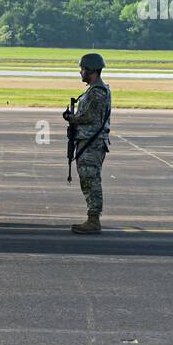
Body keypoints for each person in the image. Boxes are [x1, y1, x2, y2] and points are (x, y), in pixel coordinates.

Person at [64, 52, 112, 234]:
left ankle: (94, 220)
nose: (80, 72)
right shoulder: (93, 90)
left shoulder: (98, 92)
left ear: (91, 70)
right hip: (88, 142)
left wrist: (72, 118)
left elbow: (88, 116)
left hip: (92, 143)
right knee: (88, 179)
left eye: (83, 69)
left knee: (91, 180)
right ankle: (92, 218)